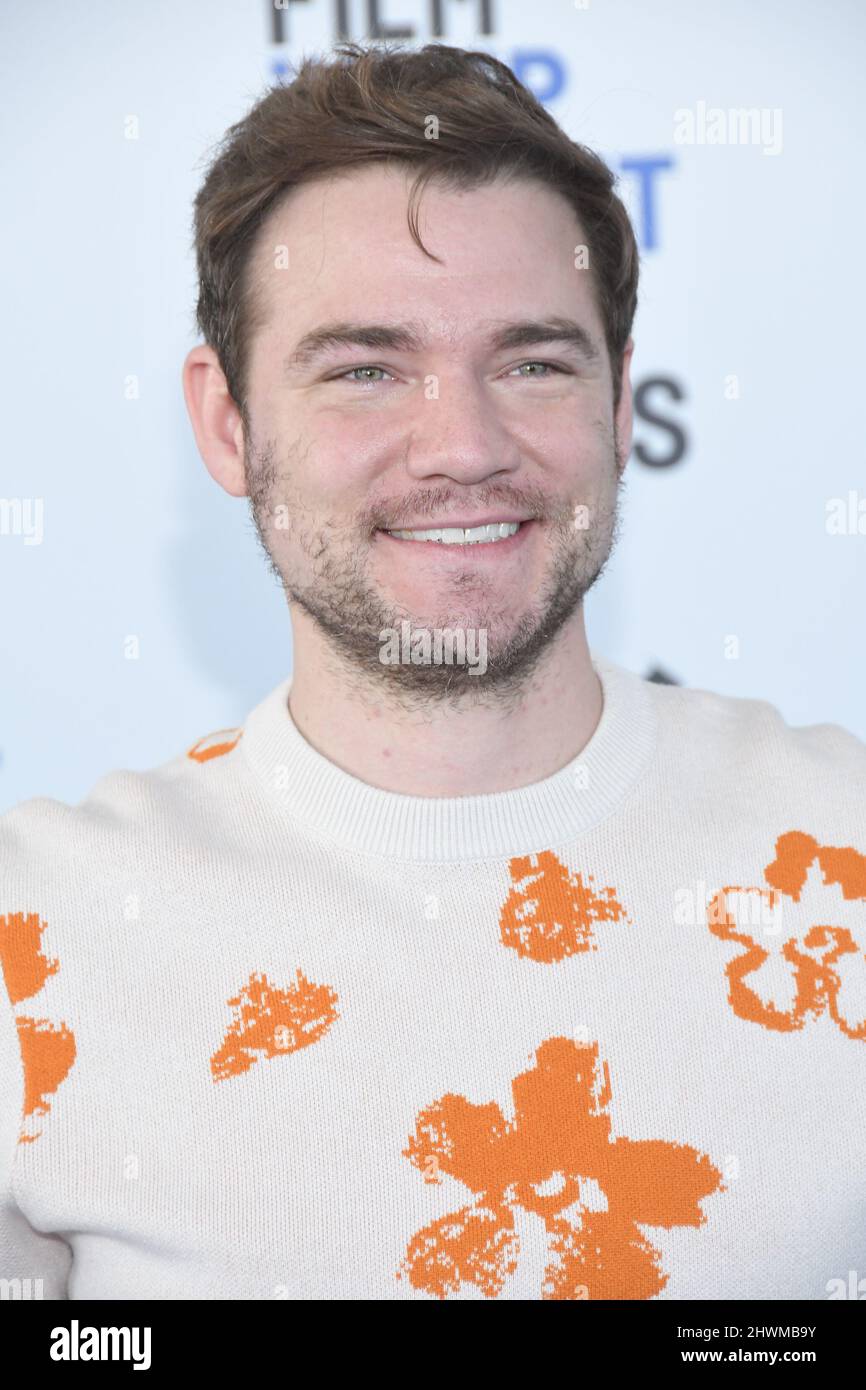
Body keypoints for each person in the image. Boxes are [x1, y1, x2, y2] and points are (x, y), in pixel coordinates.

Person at [2, 40, 864, 1303]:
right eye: (363, 370)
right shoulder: (35, 940)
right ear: (227, 423)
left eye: (530, 363)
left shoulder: (841, 856)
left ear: (621, 405)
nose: (461, 445)